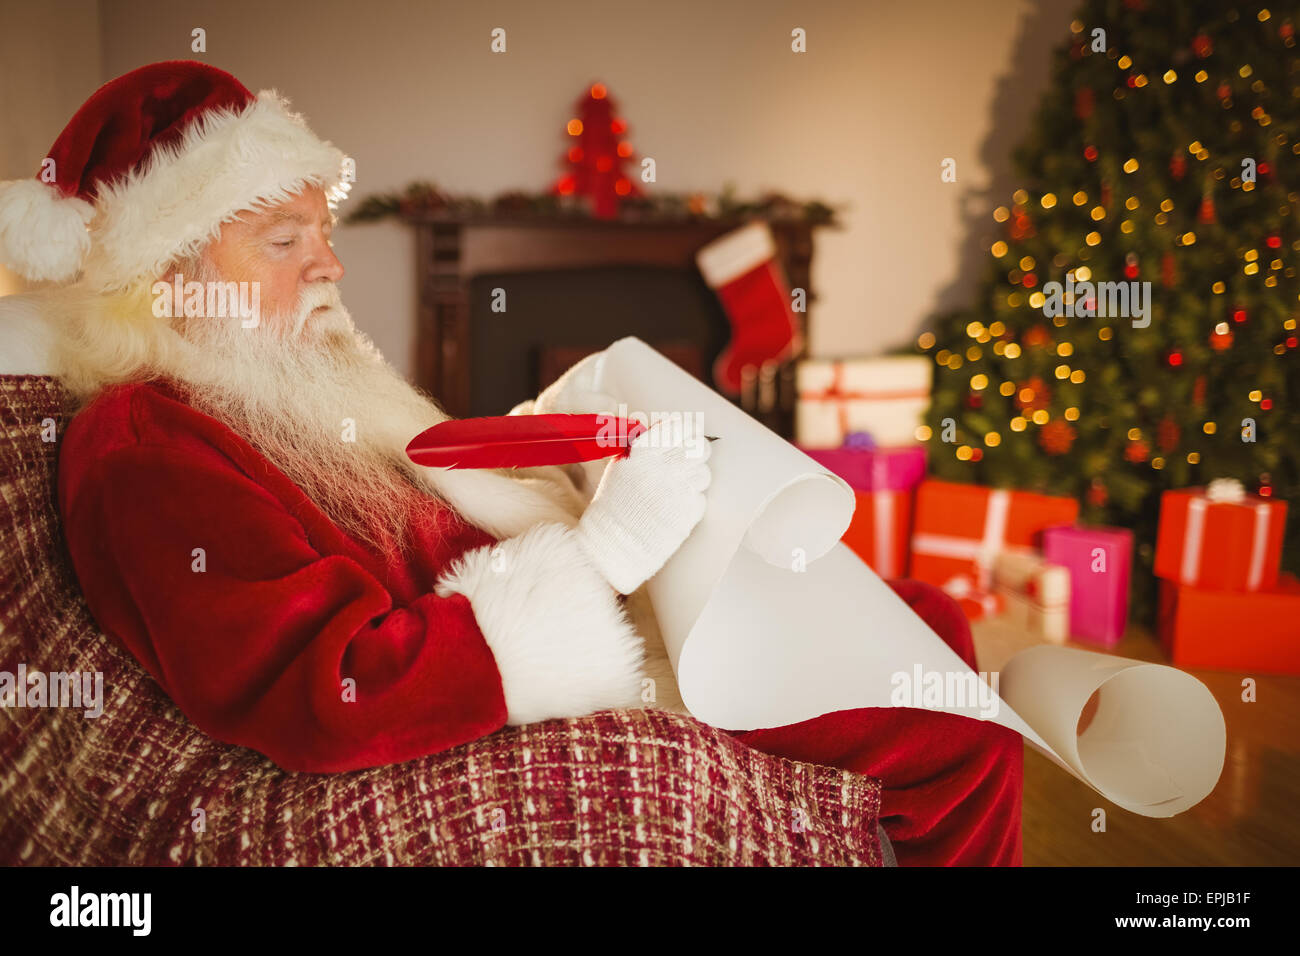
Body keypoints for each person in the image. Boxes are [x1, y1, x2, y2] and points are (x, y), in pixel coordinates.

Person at [0, 60, 1020, 865]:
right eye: (282, 236)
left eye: (323, 229)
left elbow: (422, 500)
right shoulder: (151, 448)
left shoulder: (261, 390)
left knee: (929, 618)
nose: (331, 263)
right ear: (168, 276)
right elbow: (334, 684)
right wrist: (605, 555)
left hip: (602, 619)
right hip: (542, 682)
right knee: (952, 721)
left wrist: (567, 444)